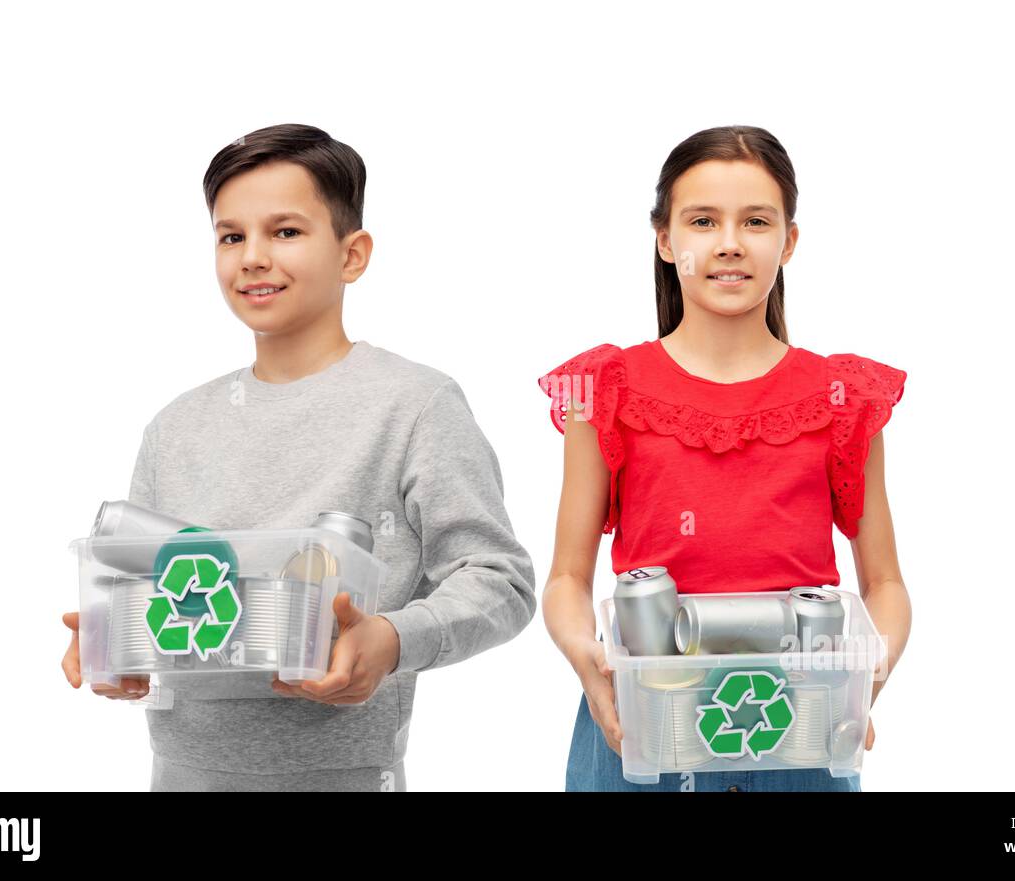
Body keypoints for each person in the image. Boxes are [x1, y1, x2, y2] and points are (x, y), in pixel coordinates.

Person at [61, 123, 536, 791]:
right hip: (183, 776)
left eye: (285, 232)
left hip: (343, 775)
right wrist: (117, 638)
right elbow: (144, 588)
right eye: (232, 236)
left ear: (353, 255)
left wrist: (391, 639)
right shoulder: (175, 427)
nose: (252, 257)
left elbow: (500, 579)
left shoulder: (415, 405)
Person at [538, 126, 911, 792]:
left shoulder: (843, 398)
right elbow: (567, 576)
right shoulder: (607, 391)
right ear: (665, 240)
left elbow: (884, 584)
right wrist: (587, 660)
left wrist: (866, 679)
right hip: (645, 729)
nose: (730, 242)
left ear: (788, 241)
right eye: (703, 220)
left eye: (756, 221)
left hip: (801, 734)